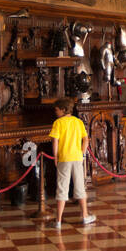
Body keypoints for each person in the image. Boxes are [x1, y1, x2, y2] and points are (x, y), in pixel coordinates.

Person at [48, 97, 95, 228]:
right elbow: (86, 140)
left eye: (56, 109)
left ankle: (58, 220)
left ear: (63, 110)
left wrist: (55, 156)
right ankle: (85, 216)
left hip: (64, 159)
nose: (55, 112)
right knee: (80, 186)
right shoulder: (78, 122)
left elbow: (55, 141)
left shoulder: (58, 123)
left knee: (62, 188)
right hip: (77, 158)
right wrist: (82, 153)